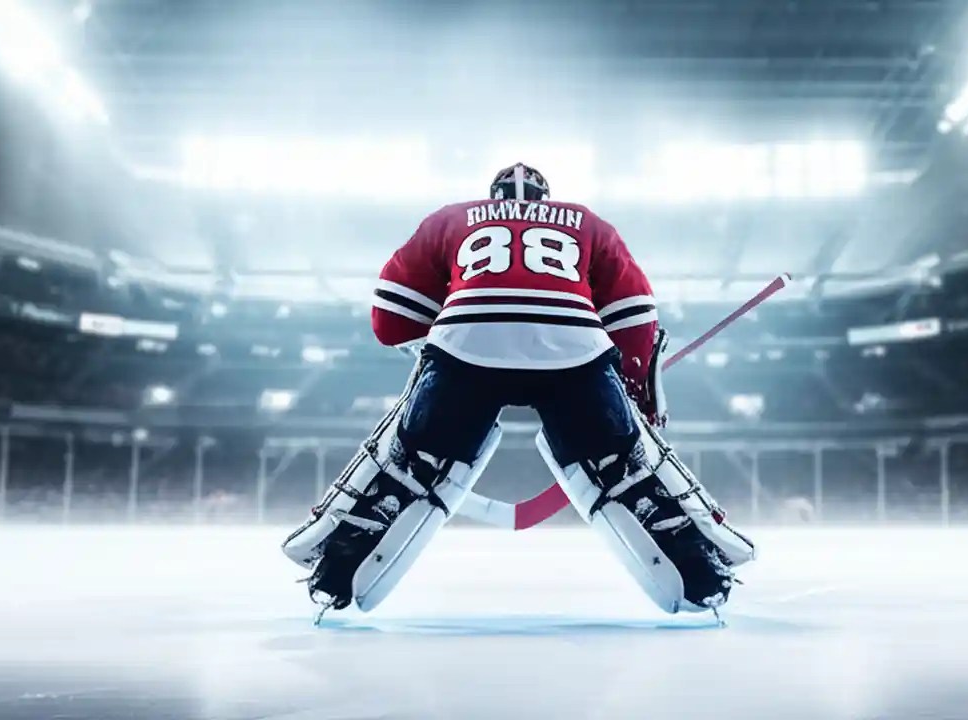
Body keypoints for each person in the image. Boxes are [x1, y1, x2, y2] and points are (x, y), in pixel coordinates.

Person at [281, 163, 755, 621]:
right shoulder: (587, 221)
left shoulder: (452, 217)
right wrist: (637, 391)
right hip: (575, 349)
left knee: (413, 457)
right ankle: (694, 561)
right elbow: (635, 314)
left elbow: (388, 318)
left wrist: (446, 322)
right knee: (623, 462)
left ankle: (346, 555)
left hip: (466, 345)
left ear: (492, 197)